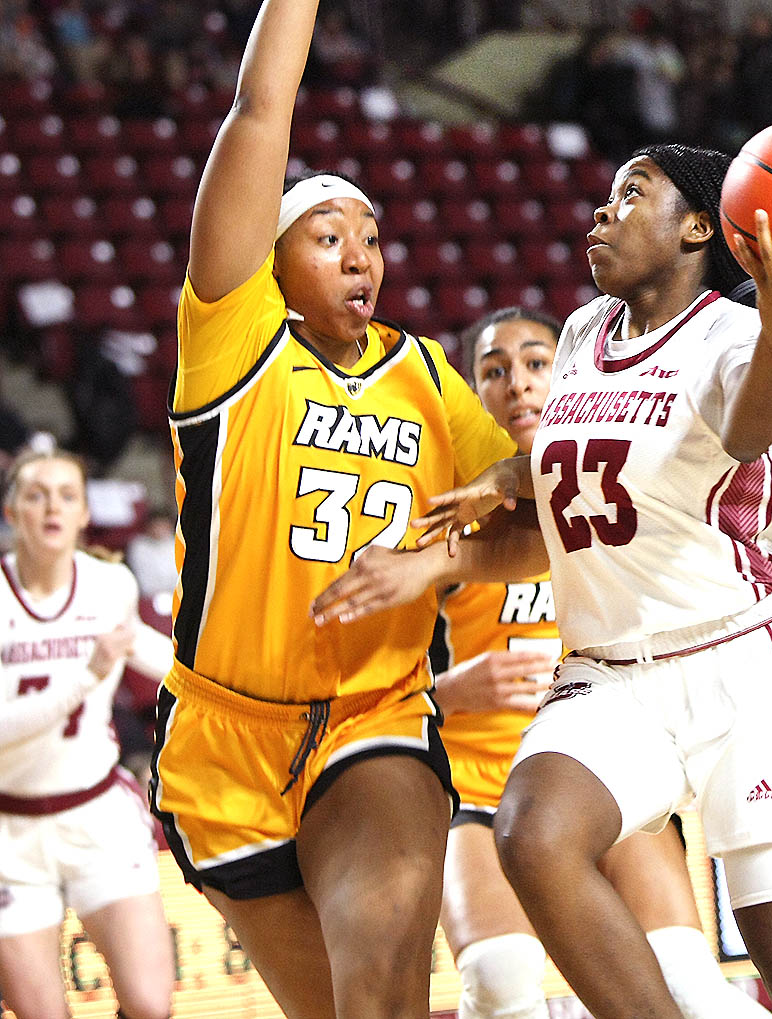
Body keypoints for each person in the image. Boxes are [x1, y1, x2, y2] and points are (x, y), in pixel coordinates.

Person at [312, 143, 772, 1018]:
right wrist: (497, 491)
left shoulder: (734, 335)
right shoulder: (581, 335)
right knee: (532, 832)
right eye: (605, 196)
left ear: (698, 226)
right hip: (610, 674)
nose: (600, 213)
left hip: (742, 670)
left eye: (630, 194)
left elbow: (748, 427)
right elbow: (559, 507)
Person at [145, 0, 524, 1014]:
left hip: (375, 711)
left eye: (371, 235)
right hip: (223, 737)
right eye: (327, 234)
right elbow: (259, 109)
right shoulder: (234, 343)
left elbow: (537, 526)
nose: (362, 254)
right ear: (267, 263)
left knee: (385, 989)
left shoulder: (425, 375)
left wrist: (443, 561)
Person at [434, 306, 772, 1018]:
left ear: (571, 375)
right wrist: (447, 690)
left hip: (611, 771)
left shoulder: (626, 492)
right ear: (472, 394)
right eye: (493, 370)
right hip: (478, 787)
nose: (519, 384)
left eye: (535, 362)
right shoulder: (452, 508)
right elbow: (370, 677)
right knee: (501, 980)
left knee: (688, 983)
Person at [0, 446, 175, 1019]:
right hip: (10, 833)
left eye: (67, 496)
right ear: (10, 511)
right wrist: (87, 678)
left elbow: (155, 658)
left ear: (83, 515)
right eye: (36, 494)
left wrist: (240, 686)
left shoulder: (110, 584)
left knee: (150, 1004)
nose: (52, 507)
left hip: (96, 813)